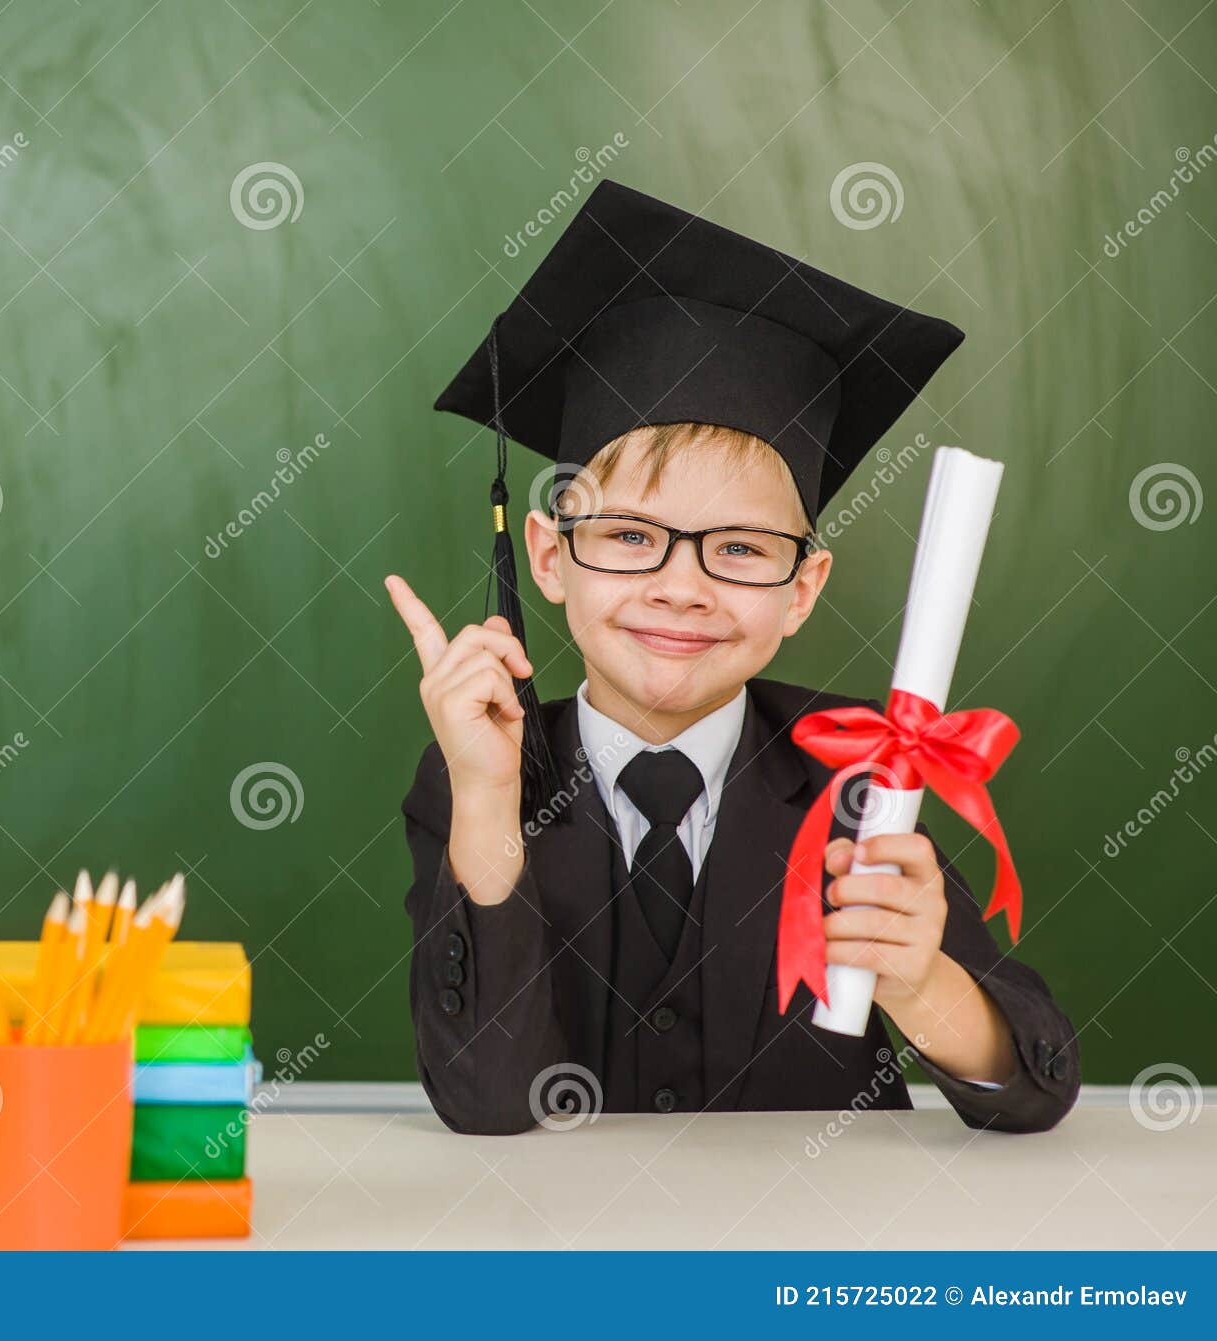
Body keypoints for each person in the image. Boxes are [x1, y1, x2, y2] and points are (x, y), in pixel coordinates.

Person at [387, 179, 1080, 1136]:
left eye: (742, 549)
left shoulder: (860, 774)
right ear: (549, 557)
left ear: (803, 587)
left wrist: (923, 985)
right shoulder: (481, 778)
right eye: (630, 537)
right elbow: (490, 1104)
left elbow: (1036, 1089)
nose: (682, 586)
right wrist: (485, 803)